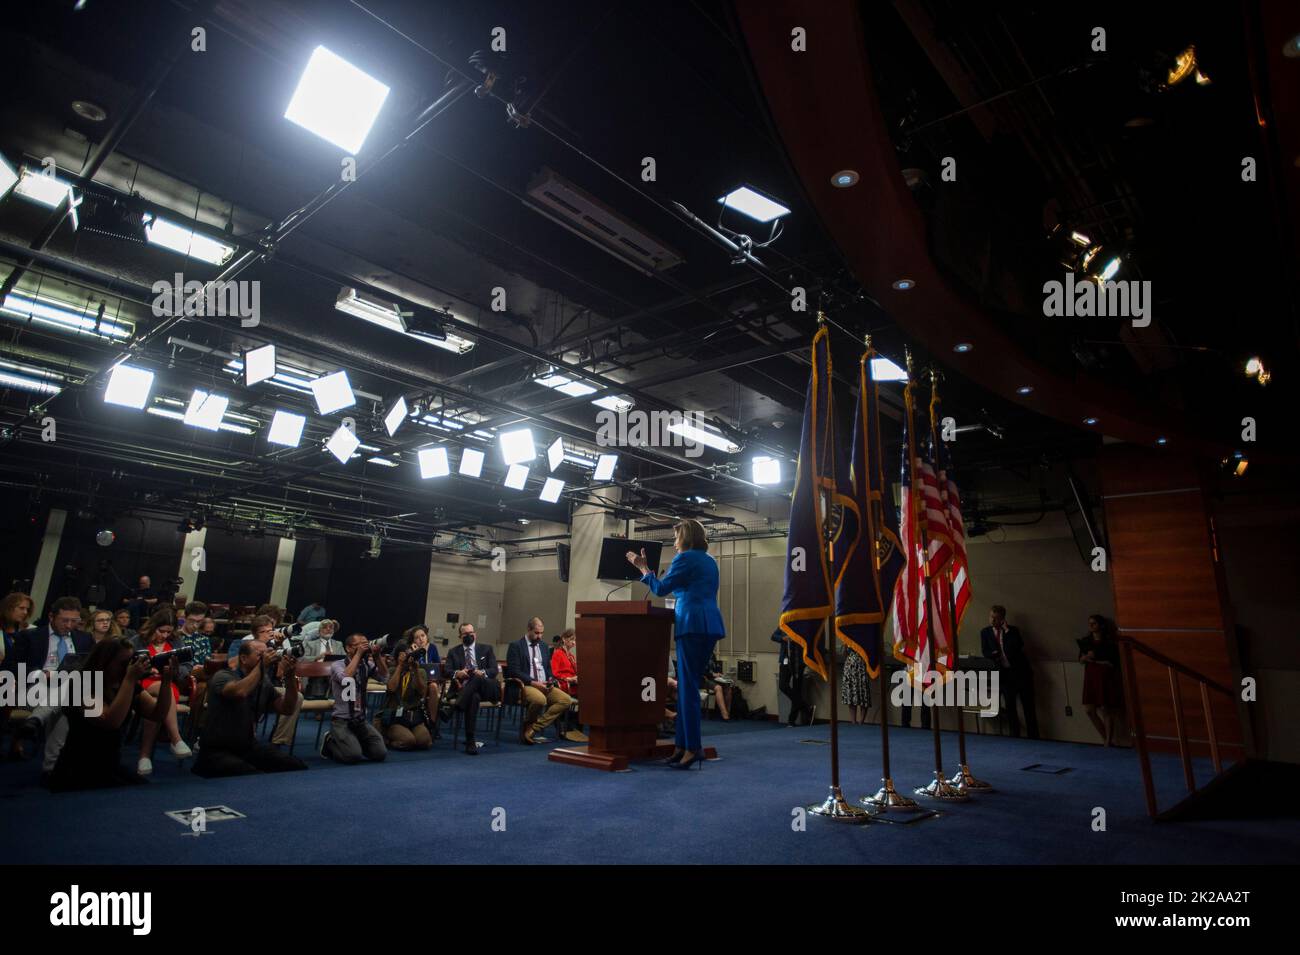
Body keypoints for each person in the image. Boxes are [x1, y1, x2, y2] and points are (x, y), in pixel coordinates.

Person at [627, 518, 725, 770]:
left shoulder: (685, 559)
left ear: (686, 537)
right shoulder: (710, 561)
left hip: (691, 625)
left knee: (688, 689)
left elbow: (660, 590)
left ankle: (692, 748)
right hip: (709, 624)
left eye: (676, 536)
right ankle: (681, 746)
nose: (674, 541)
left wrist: (643, 569)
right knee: (687, 687)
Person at [47, 638, 180, 792]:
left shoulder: (125, 684)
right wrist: (130, 680)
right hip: (78, 768)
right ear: (104, 662)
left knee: (145, 794)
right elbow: (110, 722)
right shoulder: (82, 684)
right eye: (123, 663)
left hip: (109, 765)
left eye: (130, 662)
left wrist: (166, 681)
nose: (128, 667)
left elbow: (158, 714)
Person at [192, 638, 307, 777]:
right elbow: (240, 692)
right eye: (260, 655)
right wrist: (262, 667)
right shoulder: (222, 676)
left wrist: (289, 678)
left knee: (294, 764)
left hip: (246, 745)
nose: (266, 658)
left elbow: (287, 709)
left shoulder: (263, 681)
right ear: (244, 659)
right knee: (248, 774)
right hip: (216, 749)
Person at [2, 597, 94, 763]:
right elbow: (8, 667)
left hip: (73, 689)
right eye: (64, 620)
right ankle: (51, 766)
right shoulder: (30, 636)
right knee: (66, 702)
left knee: (67, 698)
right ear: (51, 617)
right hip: (34, 689)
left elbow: (93, 668)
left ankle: (35, 721)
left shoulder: (85, 639)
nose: (68, 625)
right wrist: (41, 674)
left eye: (74, 621)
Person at [134, 608, 193, 775]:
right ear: (153, 627)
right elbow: (127, 662)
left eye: (169, 631)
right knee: (162, 690)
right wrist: (146, 670)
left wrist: (176, 670)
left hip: (168, 682)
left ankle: (144, 756)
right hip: (144, 682)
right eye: (162, 631)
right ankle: (176, 738)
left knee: (156, 702)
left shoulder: (177, 642)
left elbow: (187, 666)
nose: (165, 635)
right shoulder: (138, 640)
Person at [321, 633, 388, 764]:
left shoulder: (367, 665)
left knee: (380, 754)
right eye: (359, 645)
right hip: (342, 720)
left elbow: (384, 678)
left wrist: (377, 656)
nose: (364, 647)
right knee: (352, 756)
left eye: (365, 644)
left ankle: (352, 742)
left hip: (360, 720)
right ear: (348, 648)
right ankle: (330, 741)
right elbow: (346, 679)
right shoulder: (337, 665)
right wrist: (358, 655)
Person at [506, 617, 573, 745]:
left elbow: (547, 668)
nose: (540, 636)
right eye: (537, 633)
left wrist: (550, 680)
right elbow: (514, 671)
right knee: (540, 700)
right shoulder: (516, 646)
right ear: (528, 630)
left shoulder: (543, 646)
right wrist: (533, 682)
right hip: (526, 684)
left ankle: (533, 728)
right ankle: (528, 725)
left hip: (544, 684)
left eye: (542, 633)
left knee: (566, 700)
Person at [980, 604, 1039, 739]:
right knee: (1010, 707)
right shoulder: (985, 632)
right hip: (1004, 675)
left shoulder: (1012, 631)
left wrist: (1007, 630)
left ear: (1002, 619)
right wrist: (993, 654)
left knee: (1028, 707)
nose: (992, 621)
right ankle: (1015, 736)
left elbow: (1017, 647)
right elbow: (985, 651)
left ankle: (1034, 737)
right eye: (991, 617)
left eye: (996, 618)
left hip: (1021, 674)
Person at [444, 622, 499, 755]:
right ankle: (470, 742)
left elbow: (494, 670)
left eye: (471, 633)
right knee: (473, 698)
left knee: (477, 676)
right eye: (466, 634)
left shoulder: (487, 649)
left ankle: (453, 709)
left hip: (486, 688)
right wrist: (458, 673)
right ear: (460, 636)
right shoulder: (453, 652)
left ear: (475, 634)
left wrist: (483, 673)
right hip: (464, 689)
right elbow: (447, 671)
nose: (469, 636)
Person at [1079, 614, 1123, 746]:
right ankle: (1105, 737)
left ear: (1101, 625)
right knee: (1089, 709)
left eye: (1094, 623)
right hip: (1091, 674)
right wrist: (1086, 657)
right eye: (1090, 623)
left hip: (1104, 675)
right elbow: (1080, 659)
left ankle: (1108, 741)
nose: (1091, 626)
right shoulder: (1086, 640)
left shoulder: (1109, 641)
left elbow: (1114, 661)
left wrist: (1101, 659)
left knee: (1106, 708)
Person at [383, 642, 433, 751]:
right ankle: (388, 739)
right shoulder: (392, 671)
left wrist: (415, 670)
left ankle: (409, 735)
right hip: (395, 717)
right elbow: (391, 688)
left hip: (413, 717)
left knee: (425, 741)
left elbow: (422, 692)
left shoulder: (420, 672)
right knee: (408, 741)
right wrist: (400, 666)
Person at [547, 630, 588, 743]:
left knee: (587, 697)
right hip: (564, 685)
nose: (574, 643)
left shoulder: (571, 656)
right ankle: (568, 725)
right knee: (582, 697)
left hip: (573, 684)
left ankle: (575, 727)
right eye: (572, 640)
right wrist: (569, 679)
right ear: (564, 639)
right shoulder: (557, 654)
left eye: (575, 640)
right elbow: (555, 673)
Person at [773, 628, 812, 727]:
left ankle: (791, 720)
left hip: (798, 661)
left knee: (797, 689)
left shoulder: (801, 626)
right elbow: (773, 636)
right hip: (785, 660)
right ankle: (805, 706)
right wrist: (783, 638)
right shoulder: (783, 625)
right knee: (783, 685)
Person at [1, 591, 35, 663]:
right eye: (21, 608)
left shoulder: (30, 630)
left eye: (27, 609)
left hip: (18, 672)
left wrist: (21, 674)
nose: (25, 612)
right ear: (8, 608)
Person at [840, 647, 871, 725]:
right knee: (851, 693)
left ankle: (861, 721)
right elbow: (844, 653)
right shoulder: (849, 636)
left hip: (862, 665)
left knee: (863, 692)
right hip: (849, 666)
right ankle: (853, 721)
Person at [702, 652, 733, 721]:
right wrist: (713, 674)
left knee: (728, 687)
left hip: (713, 678)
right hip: (703, 679)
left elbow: (717, 667)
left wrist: (719, 673)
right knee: (718, 688)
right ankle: (724, 714)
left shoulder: (712, 654)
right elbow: (700, 671)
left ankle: (728, 712)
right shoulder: (698, 654)